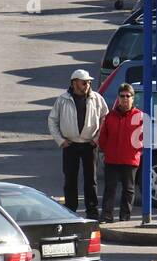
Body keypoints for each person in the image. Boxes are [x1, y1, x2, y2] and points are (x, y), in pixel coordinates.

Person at [47, 68, 107, 218]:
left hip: (89, 144)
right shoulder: (62, 100)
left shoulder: (97, 98)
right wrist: (61, 140)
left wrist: (97, 139)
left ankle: (92, 212)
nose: (87, 85)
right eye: (84, 82)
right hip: (70, 144)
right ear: (74, 83)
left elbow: (105, 119)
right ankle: (70, 211)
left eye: (89, 82)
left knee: (91, 180)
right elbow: (52, 120)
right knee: (70, 179)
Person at [98, 82, 143, 222]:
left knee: (128, 190)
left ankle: (125, 217)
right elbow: (103, 137)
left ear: (133, 98)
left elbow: (144, 138)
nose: (125, 99)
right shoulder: (110, 116)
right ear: (118, 98)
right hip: (112, 159)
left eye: (128, 96)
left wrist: (136, 151)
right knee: (109, 189)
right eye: (122, 96)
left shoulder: (139, 116)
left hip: (130, 160)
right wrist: (107, 150)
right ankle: (106, 216)